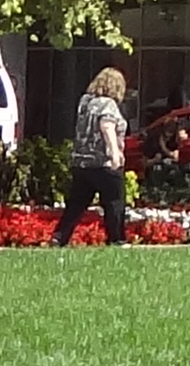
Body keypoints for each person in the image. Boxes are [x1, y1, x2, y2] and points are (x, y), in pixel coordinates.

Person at [50, 66, 131, 248]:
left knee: (76, 205)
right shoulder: (108, 104)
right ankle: (117, 239)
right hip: (102, 162)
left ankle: (59, 236)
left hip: (81, 162)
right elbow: (107, 126)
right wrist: (115, 154)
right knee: (114, 202)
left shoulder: (85, 102)